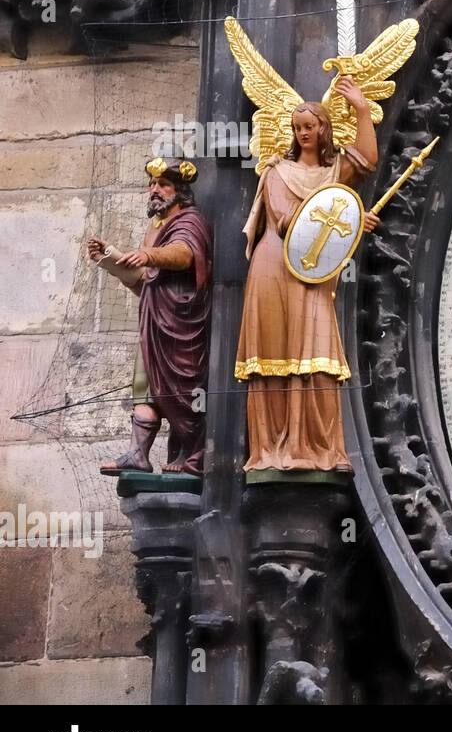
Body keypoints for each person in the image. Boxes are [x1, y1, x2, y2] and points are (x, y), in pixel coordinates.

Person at [234, 76, 380, 475]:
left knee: (317, 354)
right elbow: (284, 222)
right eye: (297, 128)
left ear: (323, 128)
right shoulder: (277, 171)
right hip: (274, 266)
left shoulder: (333, 171)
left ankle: (319, 448)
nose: (303, 134)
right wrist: (350, 219)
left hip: (312, 273)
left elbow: (367, 157)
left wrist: (362, 108)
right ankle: (272, 449)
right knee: (274, 354)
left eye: (310, 127)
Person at [90, 157, 212, 476]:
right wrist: (113, 262)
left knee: (184, 389)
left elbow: (184, 254)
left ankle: (194, 451)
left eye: (163, 184)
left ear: (179, 191)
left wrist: (149, 254)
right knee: (145, 385)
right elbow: (146, 280)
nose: (154, 190)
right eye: (152, 185)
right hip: (153, 317)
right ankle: (138, 454)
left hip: (181, 321)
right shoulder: (153, 228)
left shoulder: (191, 220)